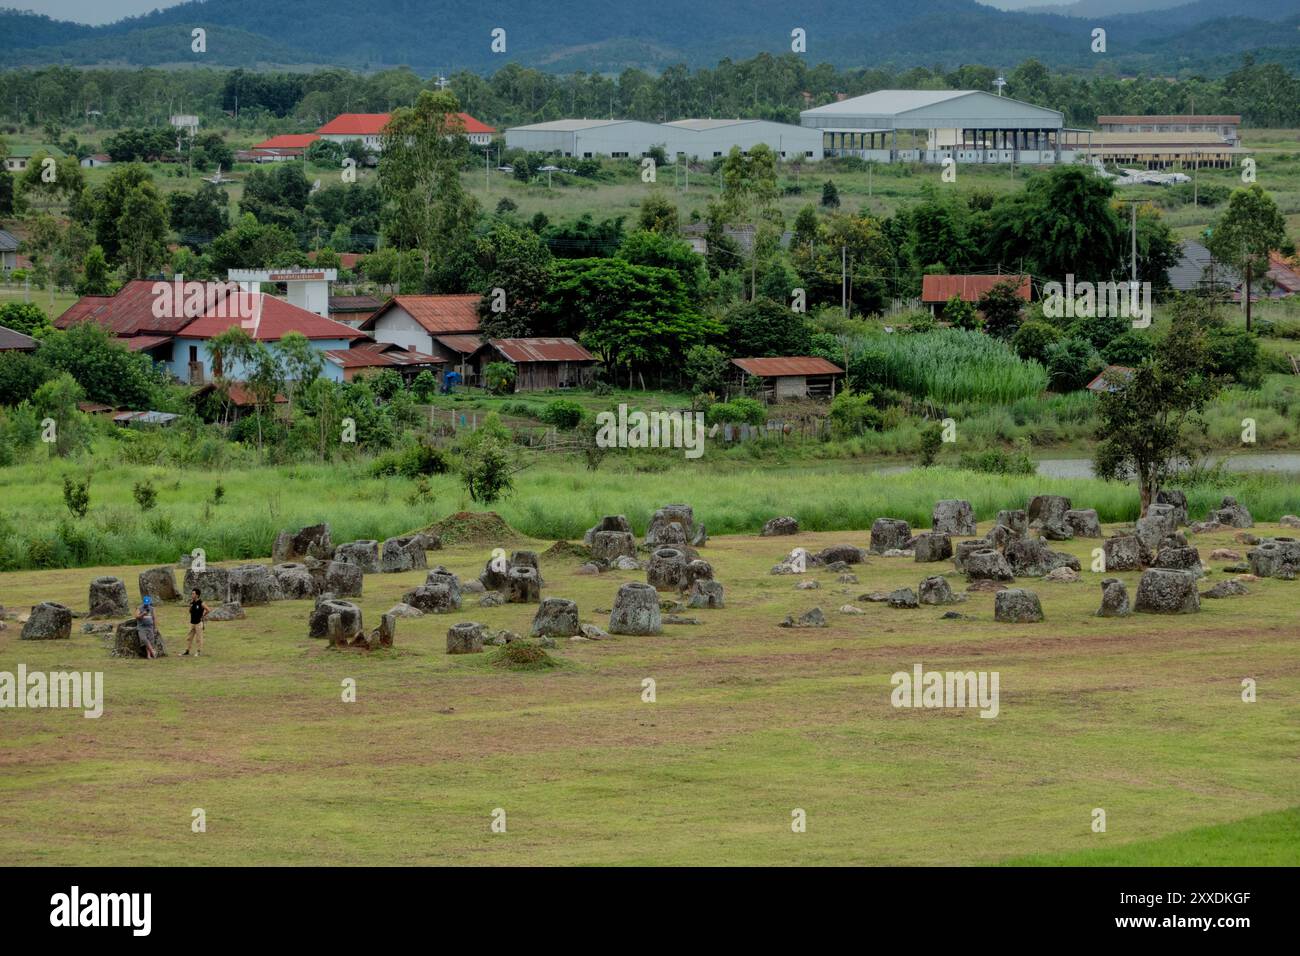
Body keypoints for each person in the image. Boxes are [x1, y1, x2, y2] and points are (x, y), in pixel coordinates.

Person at [183, 588, 210, 657]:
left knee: (198, 638)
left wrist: (203, 615)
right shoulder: (192, 602)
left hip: (198, 623)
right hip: (192, 623)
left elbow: (208, 610)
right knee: (189, 637)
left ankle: (198, 651)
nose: (192, 595)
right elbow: (190, 611)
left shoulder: (201, 602)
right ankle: (187, 650)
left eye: (193, 593)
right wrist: (190, 606)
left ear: (197, 595)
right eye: (192, 593)